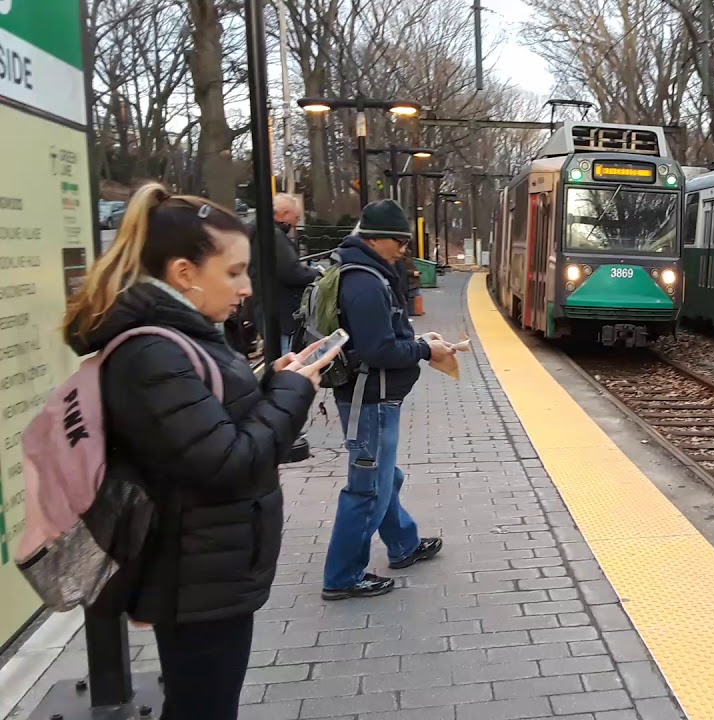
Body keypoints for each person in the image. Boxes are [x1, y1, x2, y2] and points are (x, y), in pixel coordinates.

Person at [63, 183, 341, 720]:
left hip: (206, 565)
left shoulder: (182, 335)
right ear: (184, 273)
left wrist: (270, 381)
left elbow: (205, 425)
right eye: (233, 272)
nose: (245, 288)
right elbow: (228, 462)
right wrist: (293, 392)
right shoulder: (154, 351)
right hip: (195, 572)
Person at [322, 200, 453, 600]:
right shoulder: (363, 282)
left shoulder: (365, 271)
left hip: (373, 397)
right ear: (375, 238)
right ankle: (342, 577)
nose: (403, 250)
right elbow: (378, 350)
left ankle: (404, 544)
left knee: (384, 477)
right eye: (398, 241)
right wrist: (424, 351)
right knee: (367, 488)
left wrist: (417, 344)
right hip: (370, 398)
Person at [253, 194, 319, 352]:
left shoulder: (262, 231)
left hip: (268, 307)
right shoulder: (274, 236)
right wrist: (316, 274)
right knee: (285, 355)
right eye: (296, 217)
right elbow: (291, 271)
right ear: (283, 213)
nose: (296, 223)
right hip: (280, 312)